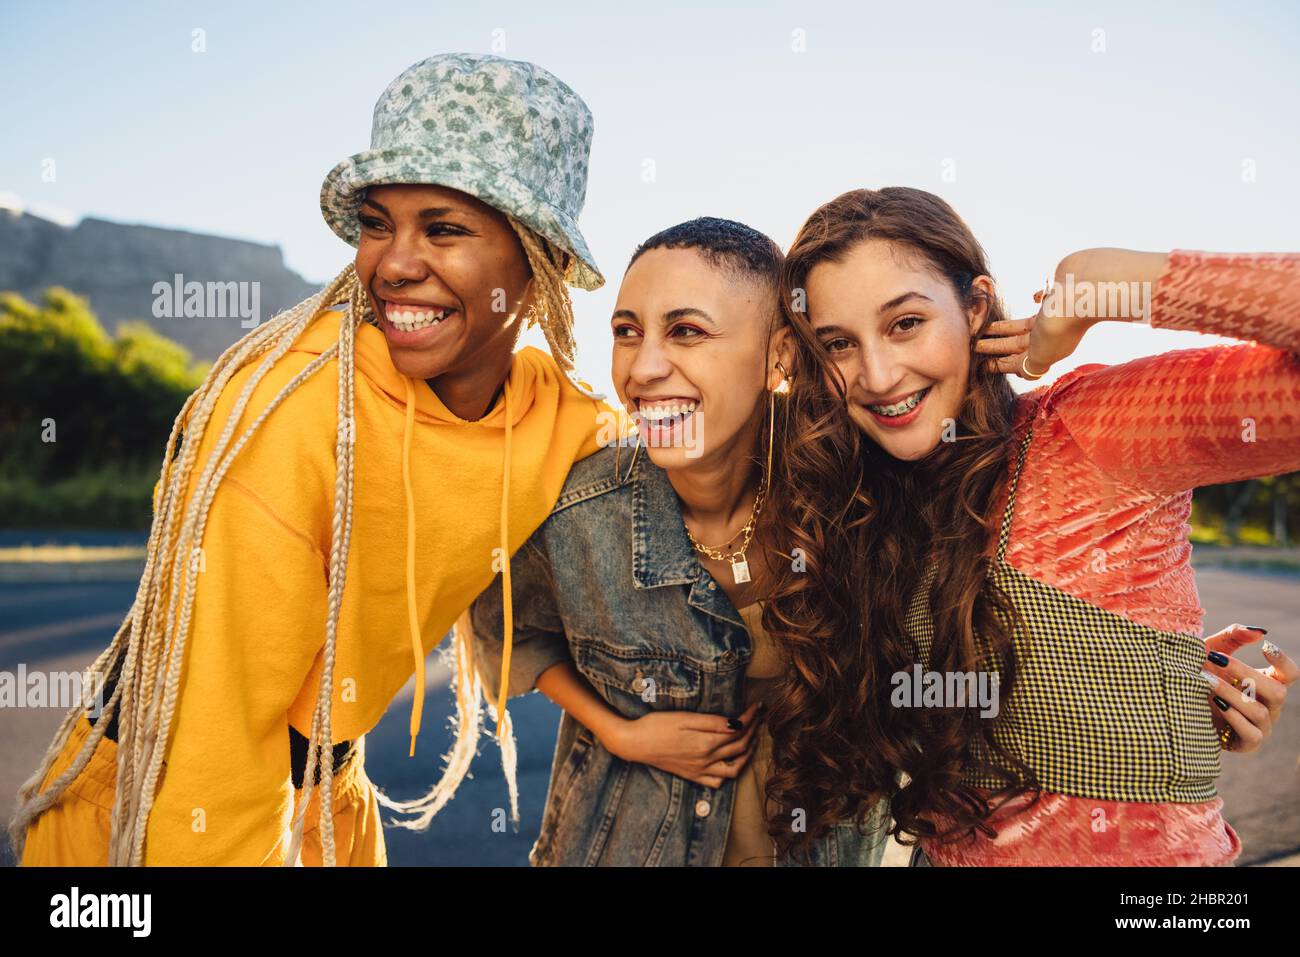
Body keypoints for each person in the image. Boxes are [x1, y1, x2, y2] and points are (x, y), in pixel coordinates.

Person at [10, 53, 617, 866]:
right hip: (163, 815)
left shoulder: (556, 415)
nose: (393, 263)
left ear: (537, 259)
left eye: (443, 227)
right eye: (377, 223)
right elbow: (215, 742)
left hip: (323, 802)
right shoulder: (289, 414)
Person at [764, 186, 1298, 865]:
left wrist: (1109, 285)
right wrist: (1148, 695)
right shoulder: (856, 504)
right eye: (839, 343)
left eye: (905, 324)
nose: (877, 373)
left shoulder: (1087, 428)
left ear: (976, 307)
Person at [470, 218, 892, 866]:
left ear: (778, 355)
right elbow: (505, 630)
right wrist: (623, 732)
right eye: (626, 332)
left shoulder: (854, 497)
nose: (643, 368)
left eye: (686, 331)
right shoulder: (577, 511)